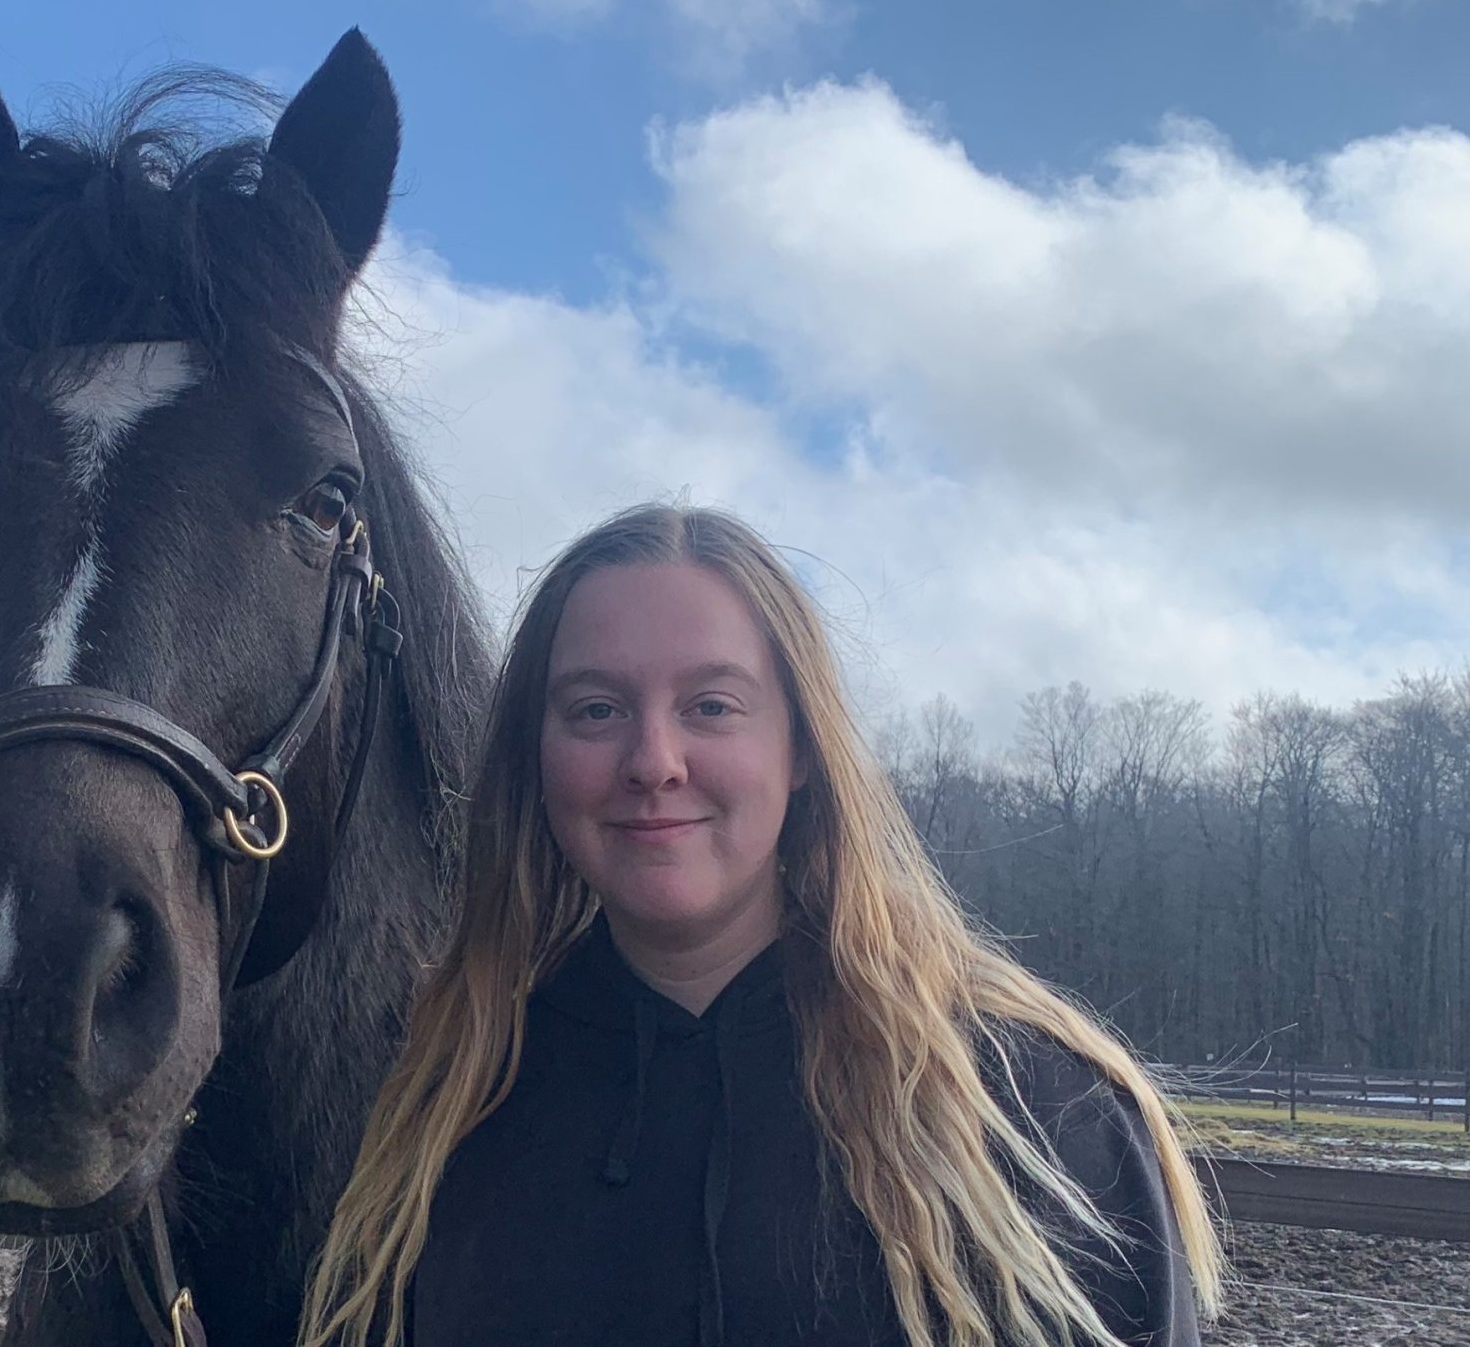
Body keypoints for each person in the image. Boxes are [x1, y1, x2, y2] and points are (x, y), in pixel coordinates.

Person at [298, 503, 1224, 1347]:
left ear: (802, 751)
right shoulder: (445, 1109)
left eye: (711, 705)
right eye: (595, 709)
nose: (653, 760)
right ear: (533, 762)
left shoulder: (1034, 1115)